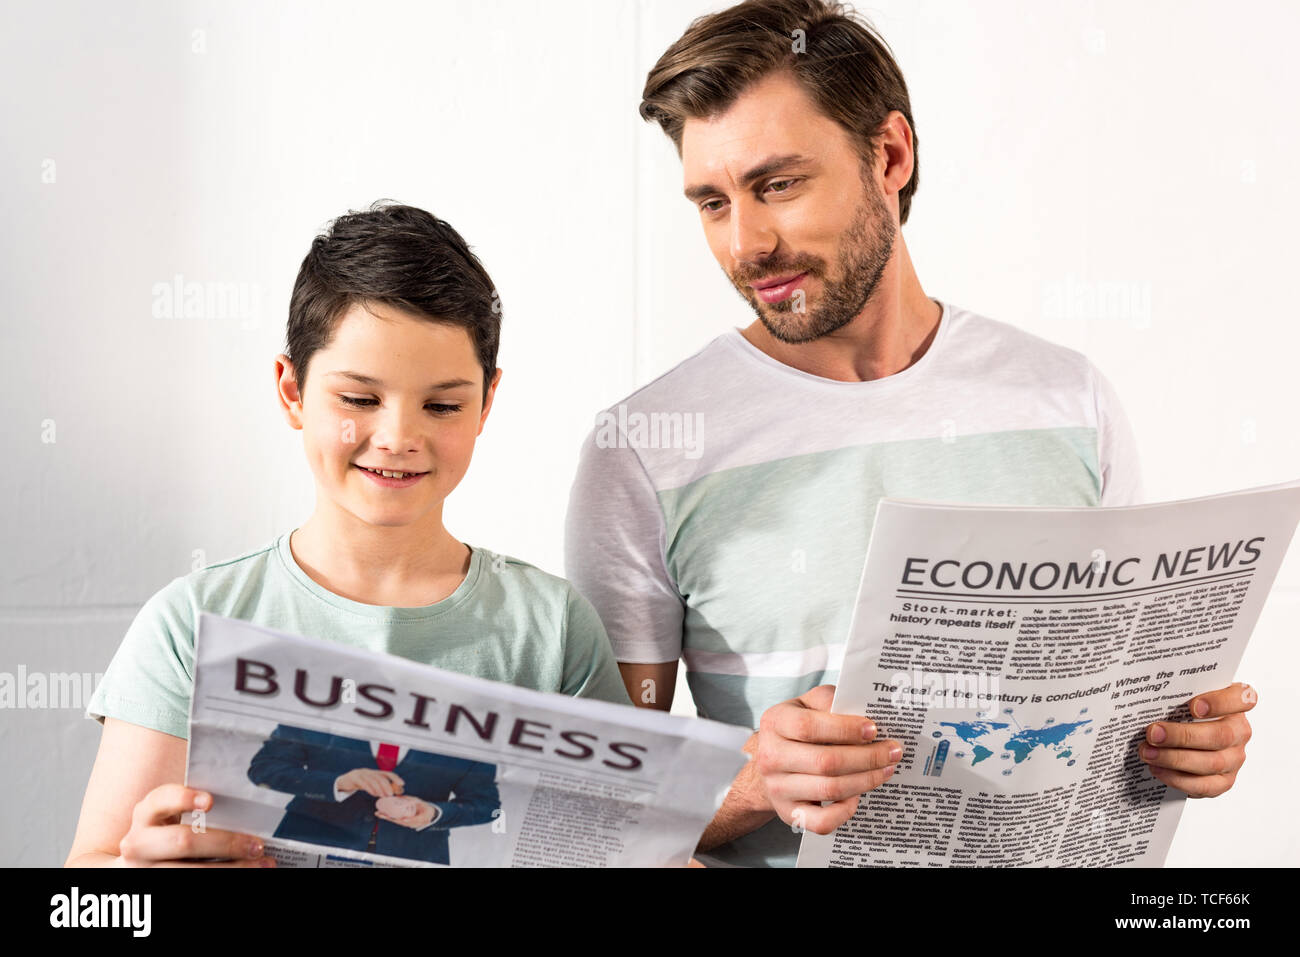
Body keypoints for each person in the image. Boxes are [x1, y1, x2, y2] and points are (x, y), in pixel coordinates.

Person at [564, 0, 1256, 868]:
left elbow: (1116, 712)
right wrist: (756, 783)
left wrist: (1185, 744)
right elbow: (587, 813)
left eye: (778, 184)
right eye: (712, 201)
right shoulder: (643, 449)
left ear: (889, 155)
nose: (747, 243)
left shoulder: (1066, 398)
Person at [67, 202, 632, 868]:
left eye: (442, 404)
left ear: (486, 403)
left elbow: (603, 843)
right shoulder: (191, 625)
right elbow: (85, 890)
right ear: (291, 392)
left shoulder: (554, 629)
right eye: (359, 399)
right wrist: (133, 873)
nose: (397, 437)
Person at [246, 725, 499, 865]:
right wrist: (339, 783)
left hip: (414, 854)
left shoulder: (472, 731)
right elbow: (265, 769)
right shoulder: (318, 705)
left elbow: (487, 805)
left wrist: (434, 814)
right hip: (309, 845)